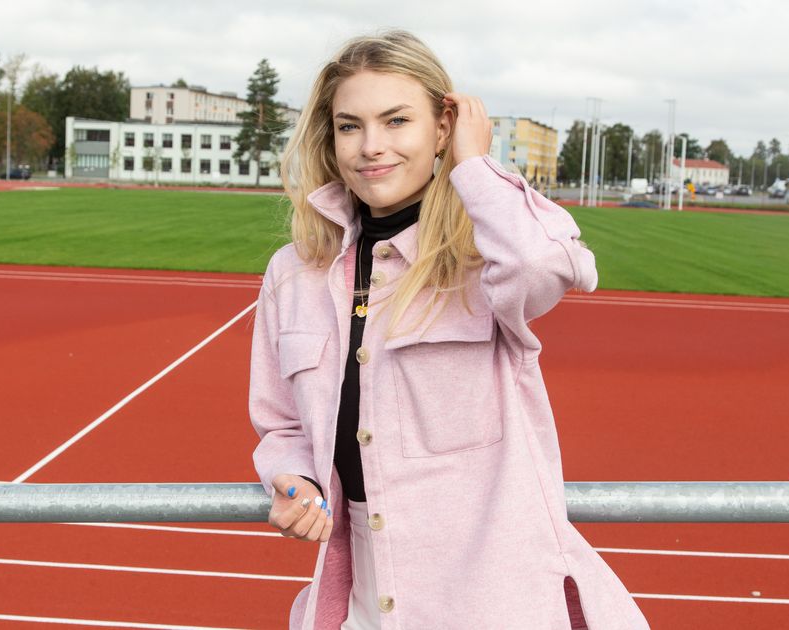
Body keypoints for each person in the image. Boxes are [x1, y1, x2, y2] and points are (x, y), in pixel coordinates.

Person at [247, 30, 649, 629]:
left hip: (492, 598)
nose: (371, 146)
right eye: (350, 126)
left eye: (397, 121)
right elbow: (281, 420)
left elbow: (546, 263)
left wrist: (476, 167)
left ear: (442, 129)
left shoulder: (483, 258)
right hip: (363, 596)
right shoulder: (294, 272)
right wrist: (292, 475)